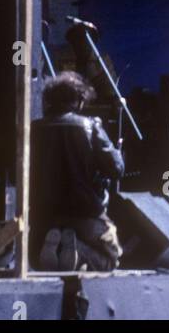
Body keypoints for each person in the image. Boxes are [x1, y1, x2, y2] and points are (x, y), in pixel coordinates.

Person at [32, 71, 124, 271]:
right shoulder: (90, 126)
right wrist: (117, 151)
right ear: (80, 101)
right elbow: (116, 169)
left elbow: (15, 176)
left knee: (36, 257)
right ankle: (78, 251)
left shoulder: (33, 129)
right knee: (111, 260)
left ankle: (57, 249)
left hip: (43, 217)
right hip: (86, 214)